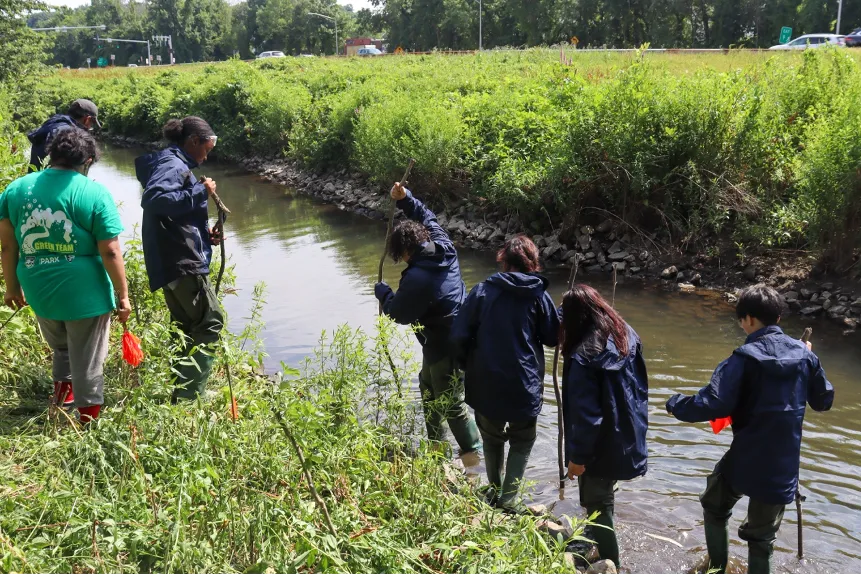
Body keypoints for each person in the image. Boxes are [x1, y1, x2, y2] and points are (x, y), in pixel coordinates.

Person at [666, 286, 834, 575]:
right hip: (783, 466)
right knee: (762, 539)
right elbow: (823, 401)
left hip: (744, 459)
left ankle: (717, 568)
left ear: (748, 320)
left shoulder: (743, 358)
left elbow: (713, 404)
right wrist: (809, 360)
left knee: (715, 505)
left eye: (741, 319)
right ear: (779, 318)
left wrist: (675, 403)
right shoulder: (805, 357)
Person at [0, 129, 129, 423]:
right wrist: (123, 295)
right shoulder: (93, 192)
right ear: (87, 160)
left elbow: (8, 245)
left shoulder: (17, 189)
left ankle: (62, 401)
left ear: (51, 155)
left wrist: (12, 287)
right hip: (84, 291)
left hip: (38, 285)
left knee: (61, 347)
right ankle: (87, 420)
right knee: (89, 358)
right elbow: (110, 251)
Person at [450, 235, 559, 512]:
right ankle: (509, 500)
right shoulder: (538, 295)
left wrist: (466, 365)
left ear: (504, 262)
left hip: (486, 381)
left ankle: (495, 490)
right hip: (524, 383)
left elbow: (459, 335)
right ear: (532, 263)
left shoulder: (483, 291)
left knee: (491, 436)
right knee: (523, 440)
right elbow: (551, 337)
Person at [375, 182, 480, 455]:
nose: (402, 259)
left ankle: (474, 454)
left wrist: (384, 293)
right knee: (428, 389)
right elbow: (427, 216)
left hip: (445, 343)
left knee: (450, 401)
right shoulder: (442, 244)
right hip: (449, 336)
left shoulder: (418, 278)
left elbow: (398, 313)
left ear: (406, 251)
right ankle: (437, 448)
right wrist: (406, 198)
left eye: (401, 255)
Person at [135, 116, 224, 402]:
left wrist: (205, 234)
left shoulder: (170, 163)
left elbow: (172, 214)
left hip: (171, 260)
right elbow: (156, 200)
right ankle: (188, 396)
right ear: (192, 141)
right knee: (210, 322)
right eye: (205, 148)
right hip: (183, 262)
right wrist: (202, 191)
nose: (206, 155)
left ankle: (180, 390)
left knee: (186, 328)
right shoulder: (174, 165)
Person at [560, 284, 648, 569]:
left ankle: (612, 564)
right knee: (606, 492)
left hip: (601, 441)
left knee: (597, 502)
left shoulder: (583, 355)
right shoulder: (625, 333)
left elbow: (587, 417)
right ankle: (599, 546)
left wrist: (577, 459)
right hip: (627, 430)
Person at [28, 99, 101, 171]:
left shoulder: (53, 123)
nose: (89, 128)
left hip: (34, 178)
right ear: (87, 119)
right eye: (91, 124)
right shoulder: (68, 134)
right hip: (50, 180)